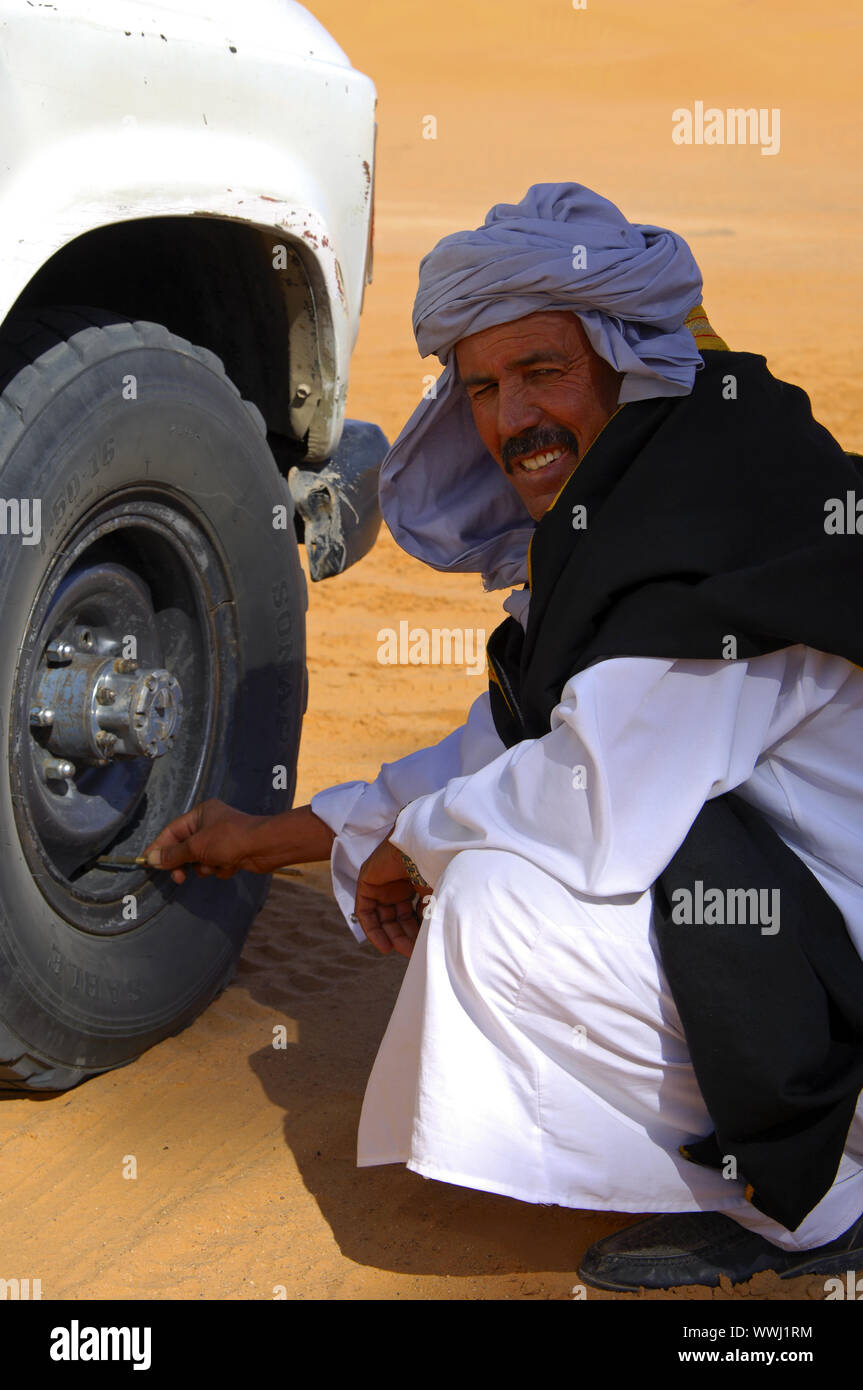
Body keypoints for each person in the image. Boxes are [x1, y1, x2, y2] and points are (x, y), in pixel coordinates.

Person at [145, 184, 863, 1292]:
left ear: (624, 360)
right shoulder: (659, 494)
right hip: (826, 924)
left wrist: (413, 846)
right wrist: (264, 838)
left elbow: (590, 801)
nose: (508, 419)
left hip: (838, 957)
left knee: (495, 901)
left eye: (541, 371)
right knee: (496, 841)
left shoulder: (701, 537)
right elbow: (506, 745)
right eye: (480, 387)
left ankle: (814, 1196)